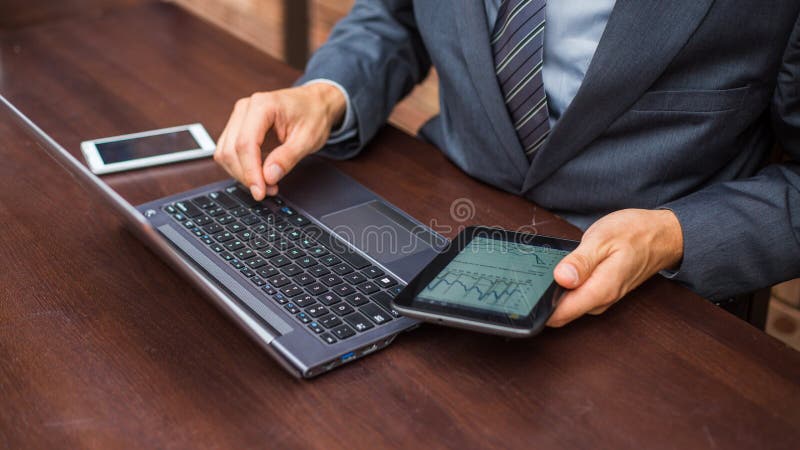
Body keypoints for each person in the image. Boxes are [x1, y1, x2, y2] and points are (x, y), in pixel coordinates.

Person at [214, 0, 800, 327]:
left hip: (652, 305)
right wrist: (328, 91)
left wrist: (671, 237)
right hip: (431, 233)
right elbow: (396, 16)